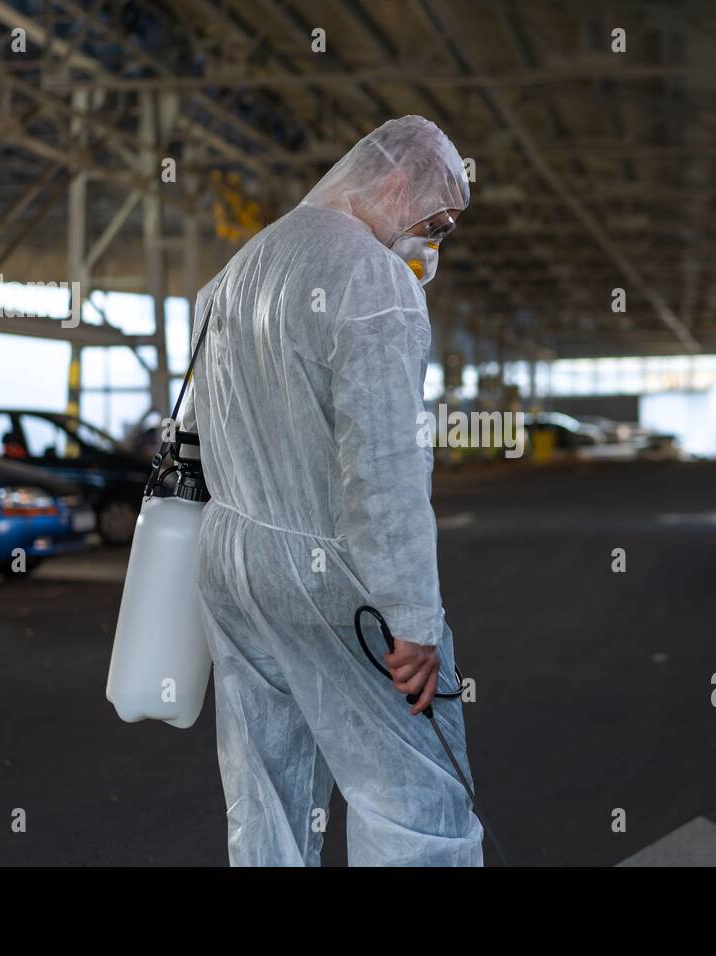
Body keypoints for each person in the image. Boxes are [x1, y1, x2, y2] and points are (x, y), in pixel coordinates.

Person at [181, 116, 483, 866]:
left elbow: (201, 428)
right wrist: (412, 619)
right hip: (327, 573)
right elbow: (383, 465)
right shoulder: (371, 279)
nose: (431, 247)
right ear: (395, 186)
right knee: (415, 798)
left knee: (266, 795)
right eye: (434, 224)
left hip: (232, 556)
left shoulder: (238, 271)